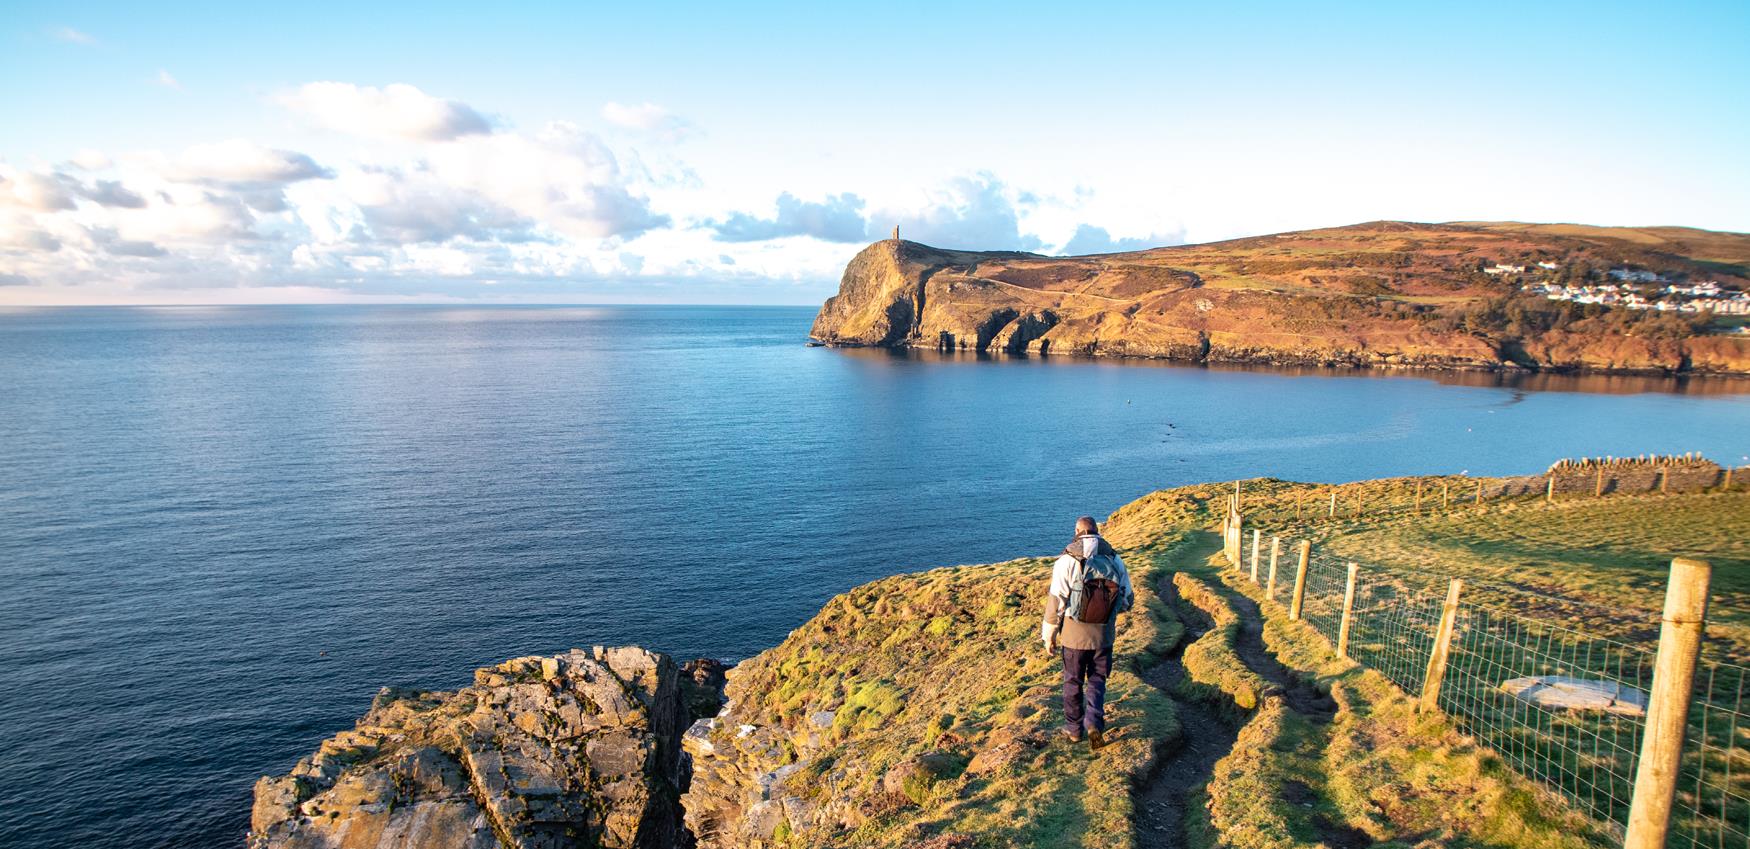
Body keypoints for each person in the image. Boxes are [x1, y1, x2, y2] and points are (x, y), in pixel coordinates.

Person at [1042, 516, 1134, 749]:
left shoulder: (1067, 560)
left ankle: (1074, 729)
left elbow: (1056, 602)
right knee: (1097, 680)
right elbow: (1127, 599)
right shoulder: (1114, 557)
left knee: (1072, 681)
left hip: (1074, 635)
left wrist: (1049, 636)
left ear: (1077, 531)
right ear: (1097, 530)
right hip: (1104, 635)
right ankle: (1093, 723)